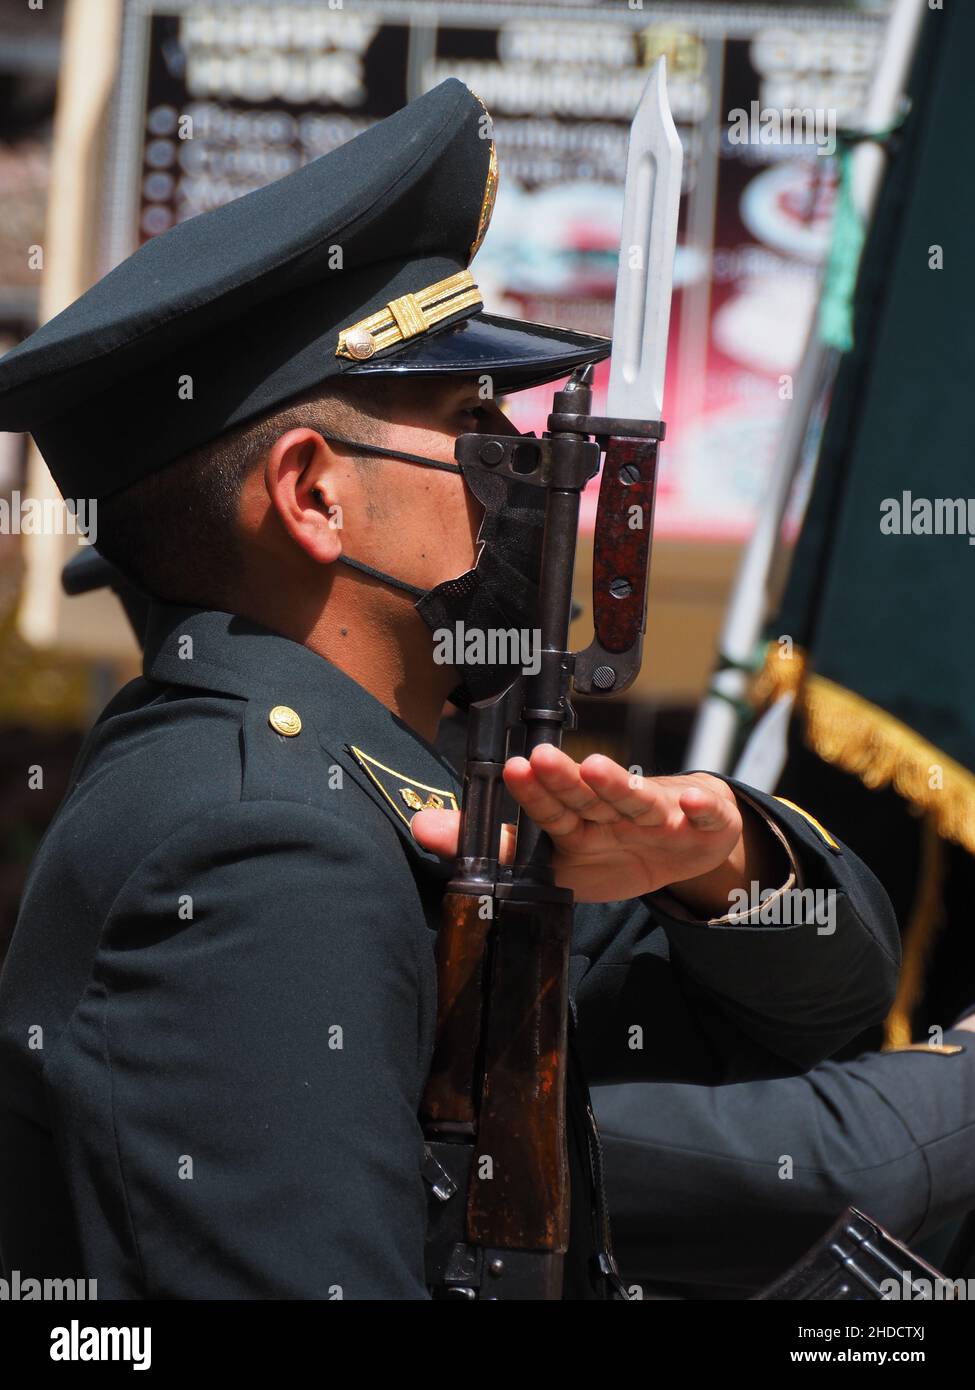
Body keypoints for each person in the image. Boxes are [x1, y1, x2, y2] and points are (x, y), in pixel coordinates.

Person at [0, 80, 900, 1299]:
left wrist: (720, 864)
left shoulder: (384, 787)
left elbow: (820, 1012)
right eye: (472, 420)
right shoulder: (255, 844)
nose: (524, 469)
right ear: (314, 494)